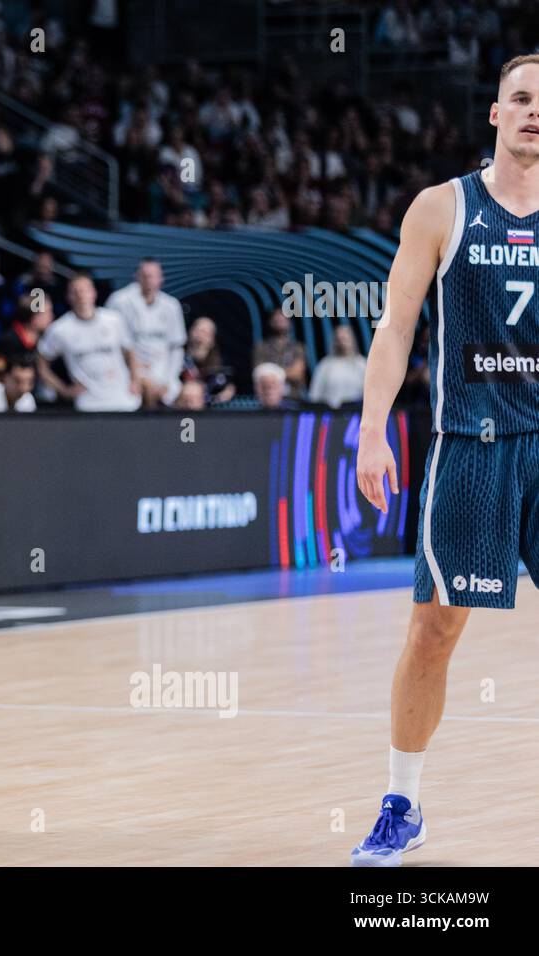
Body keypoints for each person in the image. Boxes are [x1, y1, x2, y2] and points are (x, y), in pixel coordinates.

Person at [353, 54, 539, 866]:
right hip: (472, 443)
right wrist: (371, 429)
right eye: (522, 99)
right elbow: (394, 328)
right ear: (494, 114)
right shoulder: (441, 207)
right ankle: (403, 804)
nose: (535, 112)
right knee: (434, 629)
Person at [38, 273, 140, 411]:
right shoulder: (60, 329)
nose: (81, 296)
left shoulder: (114, 320)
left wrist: (135, 381)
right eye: (75, 291)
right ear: (68, 297)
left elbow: (130, 352)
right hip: (88, 405)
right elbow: (41, 363)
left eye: (85, 290)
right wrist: (64, 390)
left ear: (93, 293)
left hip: (124, 400)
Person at [106, 258, 186, 407]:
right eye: (145, 275)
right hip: (128, 374)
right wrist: (135, 377)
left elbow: (176, 347)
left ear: (161, 279)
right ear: (137, 277)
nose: (149, 280)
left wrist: (168, 380)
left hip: (163, 373)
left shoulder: (171, 306)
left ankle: (187, 430)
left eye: (153, 275)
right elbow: (112, 345)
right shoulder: (119, 301)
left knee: (190, 395)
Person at [308, 324, 366, 407]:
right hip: (331, 416)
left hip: (356, 415)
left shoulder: (362, 364)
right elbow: (314, 395)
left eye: (346, 338)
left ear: (353, 340)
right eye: (340, 339)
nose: (343, 342)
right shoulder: (325, 365)